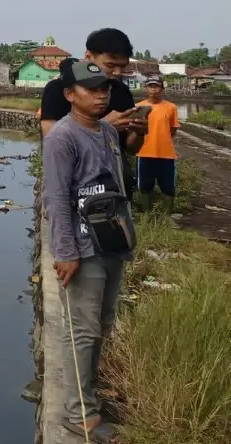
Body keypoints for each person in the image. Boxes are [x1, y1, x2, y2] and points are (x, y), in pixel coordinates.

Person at [43, 59, 136, 443]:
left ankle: (90, 396)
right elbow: (57, 198)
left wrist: (128, 238)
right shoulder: (62, 138)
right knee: (81, 331)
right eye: (92, 89)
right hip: (82, 248)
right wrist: (65, 252)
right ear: (70, 95)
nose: (102, 95)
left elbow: (118, 188)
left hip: (112, 243)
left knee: (103, 324)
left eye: (105, 89)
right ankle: (78, 415)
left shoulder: (108, 133)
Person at [40, 28, 147, 188]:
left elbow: (131, 148)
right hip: (69, 181)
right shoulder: (58, 89)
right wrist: (104, 126)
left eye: (122, 67)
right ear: (88, 56)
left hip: (111, 183)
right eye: (110, 65)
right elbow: (52, 140)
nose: (117, 73)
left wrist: (139, 132)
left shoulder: (121, 91)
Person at [135, 76, 180, 214]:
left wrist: (162, 139)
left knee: (168, 187)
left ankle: (167, 217)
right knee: (144, 186)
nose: (153, 89)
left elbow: (173, 129)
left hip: (166, 154)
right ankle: (146, 216)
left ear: (162, 89)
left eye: (156, 86)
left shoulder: (171, 107)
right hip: (144, 153)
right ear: (145, 88)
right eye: (150, 86)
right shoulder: (138, 107)